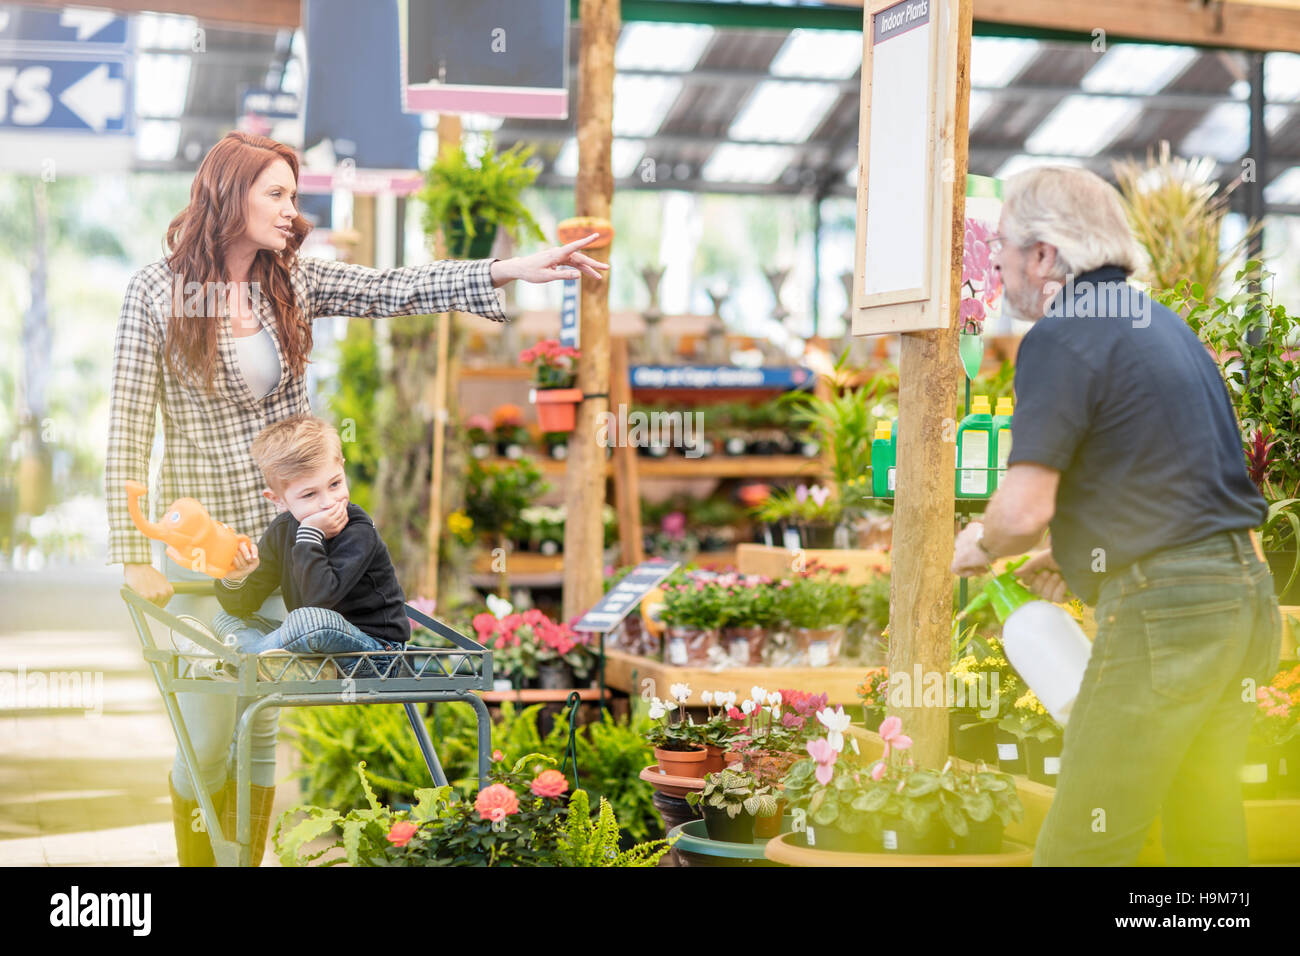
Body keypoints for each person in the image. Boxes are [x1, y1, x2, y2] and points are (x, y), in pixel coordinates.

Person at [106, 130, 606, 866]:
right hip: (200, 555)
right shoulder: (155, 291)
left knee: (264, 718)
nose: (290, 208)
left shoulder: (291, 282)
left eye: (292, 193)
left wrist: (510, 269)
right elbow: (125, 424)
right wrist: (129, 555)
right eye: (274, 193)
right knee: (208, 740)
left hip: (284, 543)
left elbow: (393, 287)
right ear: (227, 195)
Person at [950, 165, 1280, 866]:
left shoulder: (1062, 336)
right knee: (1206, 839)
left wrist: (981, 542)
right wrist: (1077, 554)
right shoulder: (1160, 325)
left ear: (1043, 256)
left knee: (1082, 845)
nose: (998, 262)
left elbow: (1025, 507)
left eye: (1004, 245)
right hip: (1244, 600)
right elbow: (1169, 474)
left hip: (1170, 617)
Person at [210, 415, 409, 680]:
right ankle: (276, 661)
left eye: (335, 484)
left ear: (343, 469)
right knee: (225, 619)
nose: (328, 502)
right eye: (309, 494)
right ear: (278, 500)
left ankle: (242, 661)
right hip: (317, 649)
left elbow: (319, 599)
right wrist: (235, 577)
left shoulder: (358, 529)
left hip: (376, 654)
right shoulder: (282, 530)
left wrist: (310, 534)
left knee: (309, 620)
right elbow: (243, 604)